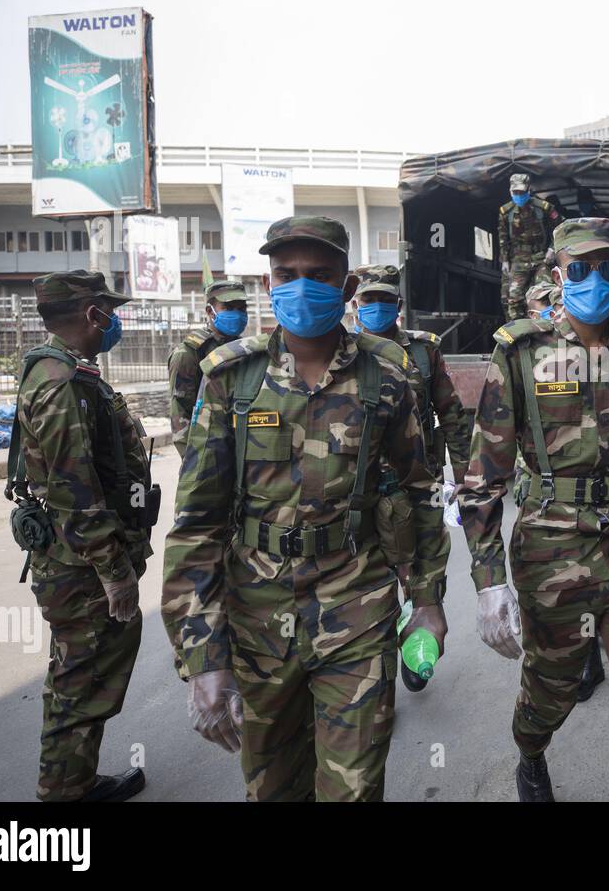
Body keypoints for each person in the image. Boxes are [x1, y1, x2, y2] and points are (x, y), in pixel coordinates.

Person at [162, 216, 448, 801]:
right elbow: (196, 523)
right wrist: (202, 656)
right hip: (256, 618)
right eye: (286, 274)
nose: (301, 287)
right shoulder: (231, 379)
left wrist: (427, 601)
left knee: (354, 787)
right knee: (273, 788)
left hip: (357, 606)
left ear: (345, 288)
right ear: (269, 285)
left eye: (318, 275)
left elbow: (419, 493)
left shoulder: (387, 376)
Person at [458, 217, 609, 802]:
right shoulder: (521, 352)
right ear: (559, 276)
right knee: (552, 691)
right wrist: (489, 583)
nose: (597, 280)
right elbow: (483, 476)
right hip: (552, 552)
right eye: (582, 269)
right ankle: (532, 752)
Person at [8, 270, 155, 802]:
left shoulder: (62, 372)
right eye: (108, 311)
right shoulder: (61, 383)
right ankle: (64, 797)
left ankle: (74, 780)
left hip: (78, 560)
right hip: (84, 568)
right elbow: (74, 491)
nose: (113, 320)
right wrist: (115, 575)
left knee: (81, 676)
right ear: (93, 315)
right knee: (80, 683)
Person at [350, 262, 473, 692]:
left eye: (386, 299)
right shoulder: (342, 351)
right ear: (355, 304)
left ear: (398, 305)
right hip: (359, 491)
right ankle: (376, 661)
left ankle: (417, 634)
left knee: (423, 570)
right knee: (368, 577)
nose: (377, 307)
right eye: (370, 300)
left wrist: (466, 477)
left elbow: (453, 416)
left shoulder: (423, 351)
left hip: (417, 484)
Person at [168, 279, 248, 456]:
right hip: (208, 451)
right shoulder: (189, 353)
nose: (237, 314)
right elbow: (181, 414)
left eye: (241, 309)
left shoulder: (246, 348)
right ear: (209, 311)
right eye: (228, 308)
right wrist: (193, 462)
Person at [498, 173, 561, 322]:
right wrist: (505, 260)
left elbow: (560, 229)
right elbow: (503, 237)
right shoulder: (505, 212)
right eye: (515, 192)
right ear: (510, 191)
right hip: (519, 258)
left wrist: (552, 249)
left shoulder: (544, 207)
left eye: (522, 192)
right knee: (513, 297)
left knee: (546, 292)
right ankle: (516, 329)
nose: (518, 195)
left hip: (541, 257)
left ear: (529, 190)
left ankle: (548, 326)